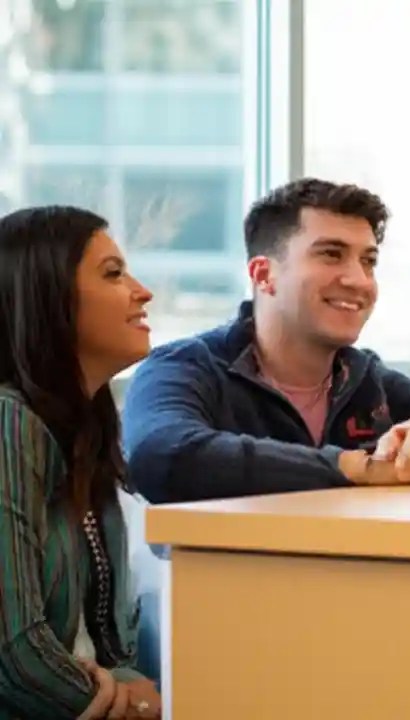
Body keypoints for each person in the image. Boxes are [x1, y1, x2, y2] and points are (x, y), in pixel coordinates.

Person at [121, 178, 410, 504]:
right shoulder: (186, 367)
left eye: (368, 261)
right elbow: (162, 456)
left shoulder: (366, 378)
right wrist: (362, 467)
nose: (359, 280)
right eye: (332, 255)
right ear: (264, 275)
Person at [0, 206, 162, 719]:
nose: (142, 291)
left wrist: (135, 691)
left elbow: (112, 644)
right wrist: (130, 705)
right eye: (113, 274)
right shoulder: (7, 421)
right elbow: (14, 655)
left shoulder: (86, 433)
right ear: (49, 298)